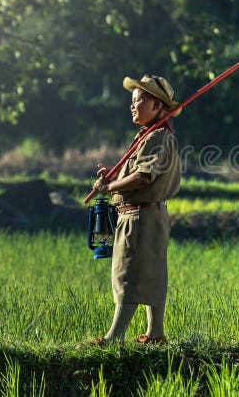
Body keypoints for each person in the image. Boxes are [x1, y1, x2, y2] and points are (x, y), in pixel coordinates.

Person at [86, 74, 182, 346]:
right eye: (133, 100)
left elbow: (142, 177)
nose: (133, 105)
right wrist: (114, 178)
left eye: (139, 100)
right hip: (147, 213)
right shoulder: (150, 136)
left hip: (140, 215)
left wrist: (109, 187)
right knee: (151, 272)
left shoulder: (158, 137)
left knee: (129, 272)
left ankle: (114, 337)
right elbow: (135, 174)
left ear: (158, 106)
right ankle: (155, 334)